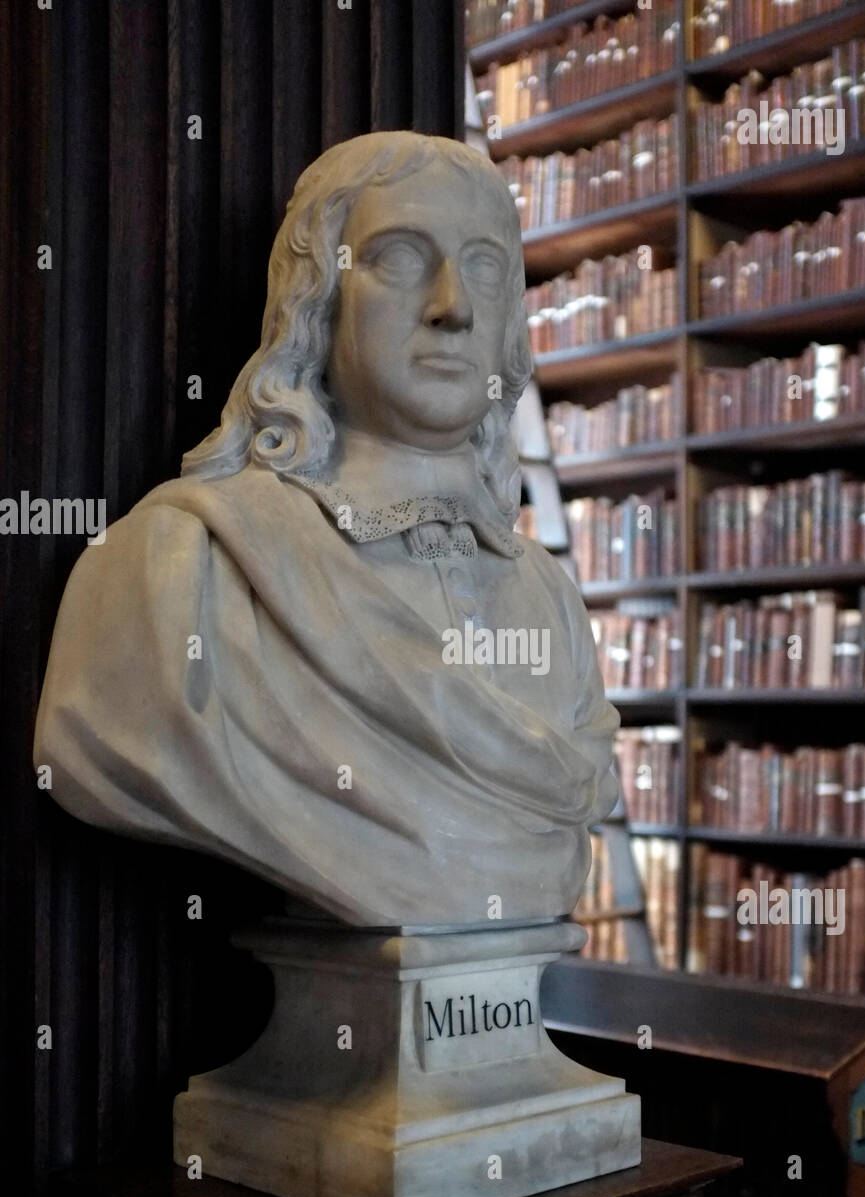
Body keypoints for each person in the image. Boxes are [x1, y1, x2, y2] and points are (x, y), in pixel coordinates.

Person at [34, 131, 619, 927]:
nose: (454, 305)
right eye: (402, 258)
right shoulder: (183, 567)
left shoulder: (551, 601)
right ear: (317, 297)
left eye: (484, 264)